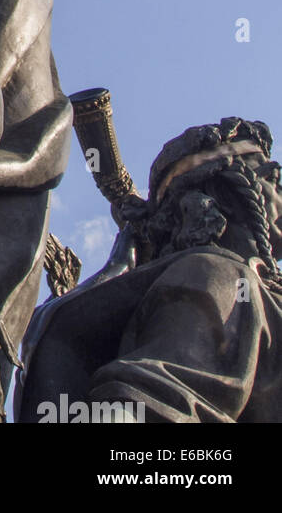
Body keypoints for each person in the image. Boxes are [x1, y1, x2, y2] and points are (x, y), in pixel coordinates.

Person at [18, 117, 282, 422]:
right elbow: (141, 412)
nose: (279, 182)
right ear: (230, 192)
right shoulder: (218, 277)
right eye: (272, 176)